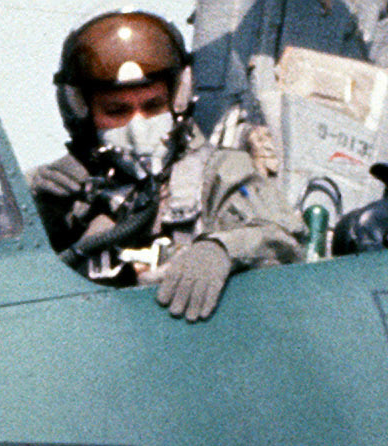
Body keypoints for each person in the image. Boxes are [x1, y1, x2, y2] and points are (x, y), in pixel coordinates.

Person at [28, 11, 304, 320]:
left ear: (178, 98)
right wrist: (38, 208)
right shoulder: (64, 188)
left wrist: (222, 249)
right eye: (116, 110)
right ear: (83, 111)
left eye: (152, 106)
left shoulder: (223, 174)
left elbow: (285, 239)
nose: (137, 126)